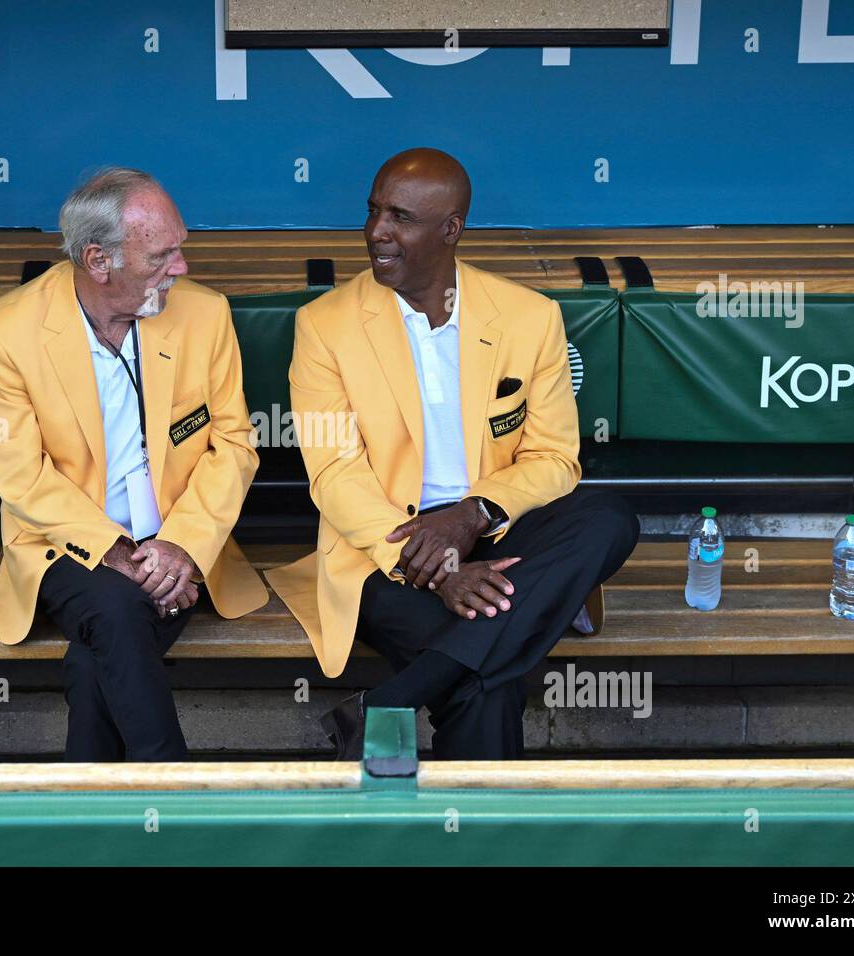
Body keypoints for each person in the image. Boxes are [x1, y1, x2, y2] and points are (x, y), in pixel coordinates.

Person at [266, 148, 639, 760]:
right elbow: (335, 475)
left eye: (401, 218)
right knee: (484, 685)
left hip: (497, 528)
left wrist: (472, 515)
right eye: (373, 211)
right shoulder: (325, 326)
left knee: (609, 519)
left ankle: (387, 705)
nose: (376, 232)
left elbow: (554, 460)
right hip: (386, 548)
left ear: (451, 229)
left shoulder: (529, 318)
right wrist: (439, 566)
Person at [0, 167, 267, 761]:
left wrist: (180, 546)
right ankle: (173, 791)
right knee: (115, 604)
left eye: (180, 248)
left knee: (95, 656)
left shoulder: (204, 315)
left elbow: (233, 444)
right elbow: (20, 474)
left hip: (182, 542)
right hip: (68, 544)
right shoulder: (5, 332)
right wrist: (117, 552)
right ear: (98, 261)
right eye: (162, 255)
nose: (180, 268)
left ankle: (99, 823)